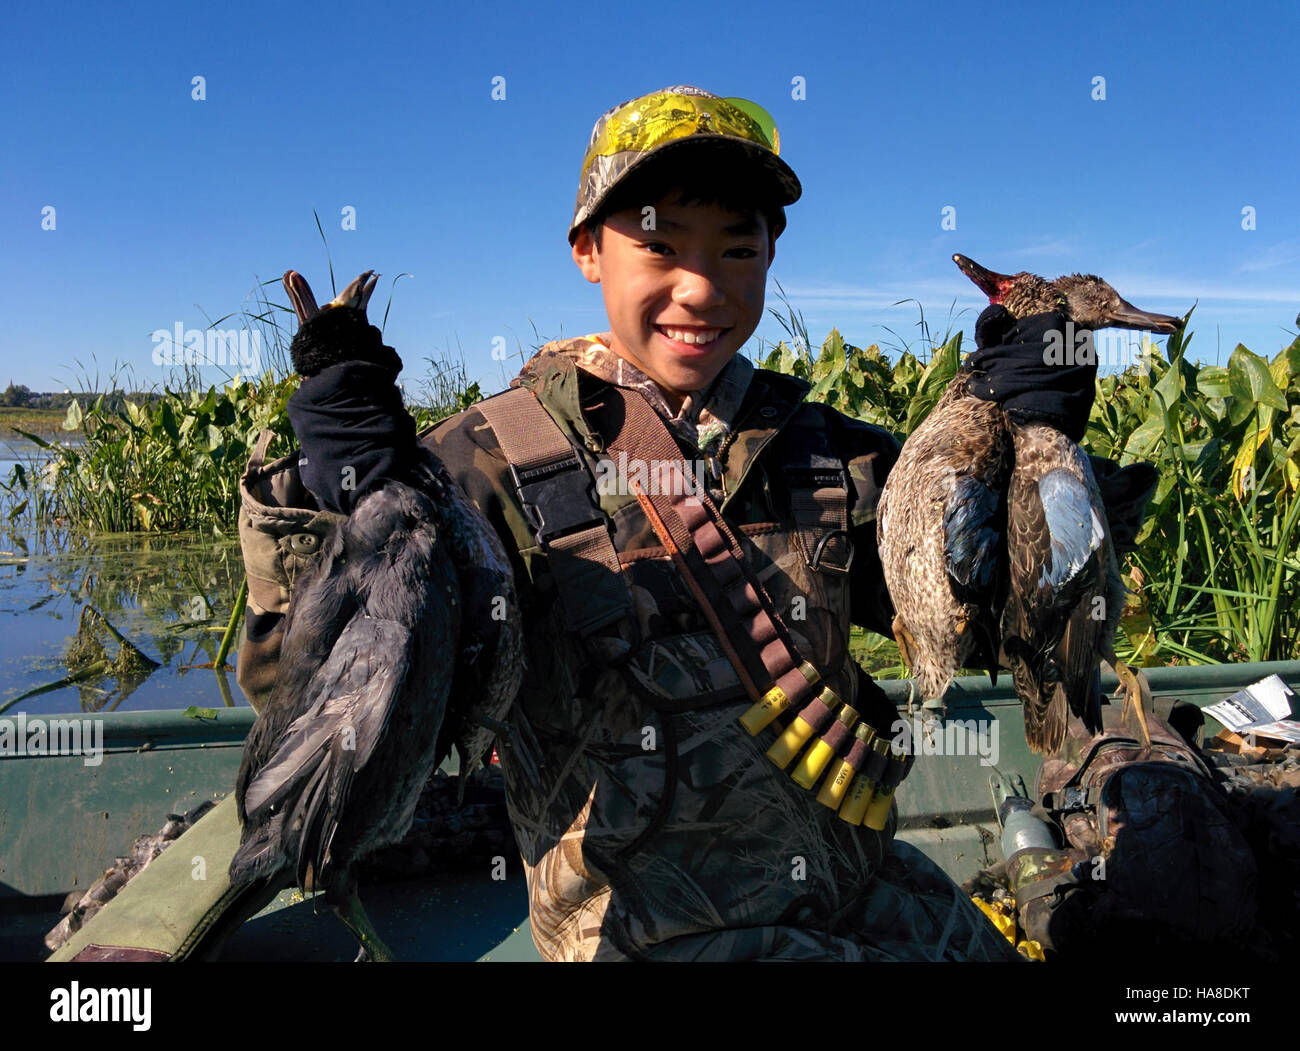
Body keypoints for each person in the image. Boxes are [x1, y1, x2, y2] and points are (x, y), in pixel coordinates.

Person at [235, 85, 1147, 962]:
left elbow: (1002, 622)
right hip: (639, 937)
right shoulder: (482, 461)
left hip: (858, 888)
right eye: (659, 245)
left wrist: (1023, 436)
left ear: (771, 257)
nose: (701, 288)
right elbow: (310, 697)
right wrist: (345, 499)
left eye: (736, 250)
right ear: (589, 249)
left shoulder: (830, 450)